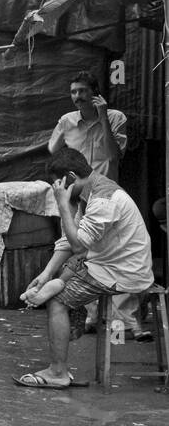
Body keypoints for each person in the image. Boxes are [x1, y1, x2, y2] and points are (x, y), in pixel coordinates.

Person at [15, 148, 155, 388]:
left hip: (124, 270)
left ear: (69, 176)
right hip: (105, 262)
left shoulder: (102, 199)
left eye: (56, 183)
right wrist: (46, 273)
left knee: (57, 301)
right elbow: (69, 242)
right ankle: (53, 286)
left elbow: (78, 245)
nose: (55, 188)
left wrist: (62, 205)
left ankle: (57, 372)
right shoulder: (89, 192)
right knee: (62, 274)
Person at [47, 70, 138, 337]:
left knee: (113, 252)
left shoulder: (115, 118)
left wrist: (102, 120)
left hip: (106, 197)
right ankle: (91, 316)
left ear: (95, 94)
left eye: (82, 91)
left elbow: (113, 154)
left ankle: (125, 323)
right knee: (79, 252)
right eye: (74, 92)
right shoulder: (67, 121)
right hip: (79, 196)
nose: (77, 97)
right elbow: (53, 150)